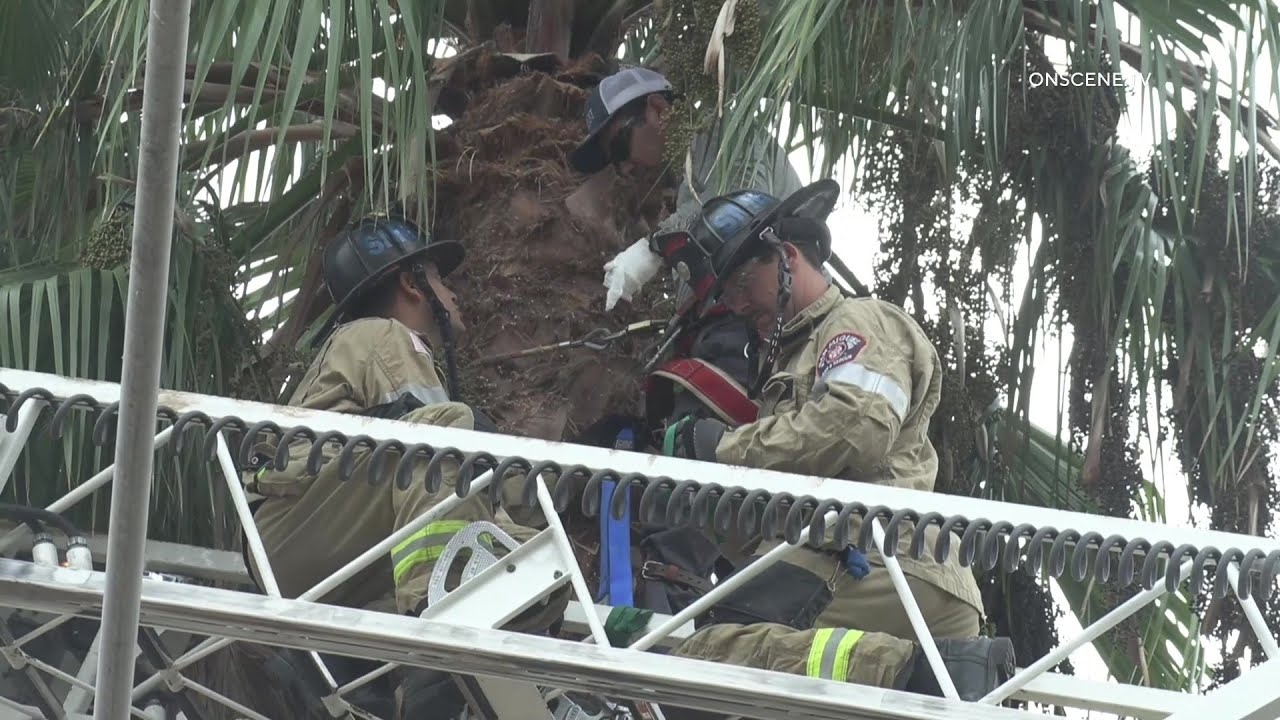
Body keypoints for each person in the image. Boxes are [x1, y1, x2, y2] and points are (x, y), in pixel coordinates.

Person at [643, 179, 1015, 704]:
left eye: (745, 282)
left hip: (887, 556)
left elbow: (855, 425)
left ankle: (947, 674)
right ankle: (919, 678)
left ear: (787, 256)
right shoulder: (788, 363)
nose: (739, 303)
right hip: (841, 557)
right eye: (728, 295)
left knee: (726, 638)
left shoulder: (858, 322)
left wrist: (725, 449)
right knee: (739, 663)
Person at [242, 214, 557, 718]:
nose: (452, 294)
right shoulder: (386, 335)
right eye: (440, 279)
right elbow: (428, 446)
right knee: (451, 429)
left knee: (527, 554)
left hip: (316, 540)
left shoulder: (360, 343)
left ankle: (353, 672)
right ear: (411, 284)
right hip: (297, 530)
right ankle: (439, 636)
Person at [567, 65, 803, 312]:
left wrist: (652, 247)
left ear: (657, 109)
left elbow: (742, 206)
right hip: (754, 316)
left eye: (619, 148)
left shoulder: (719, 131)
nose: (624, 168)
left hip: (789, 314)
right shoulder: (689, 177)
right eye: (614, 161)